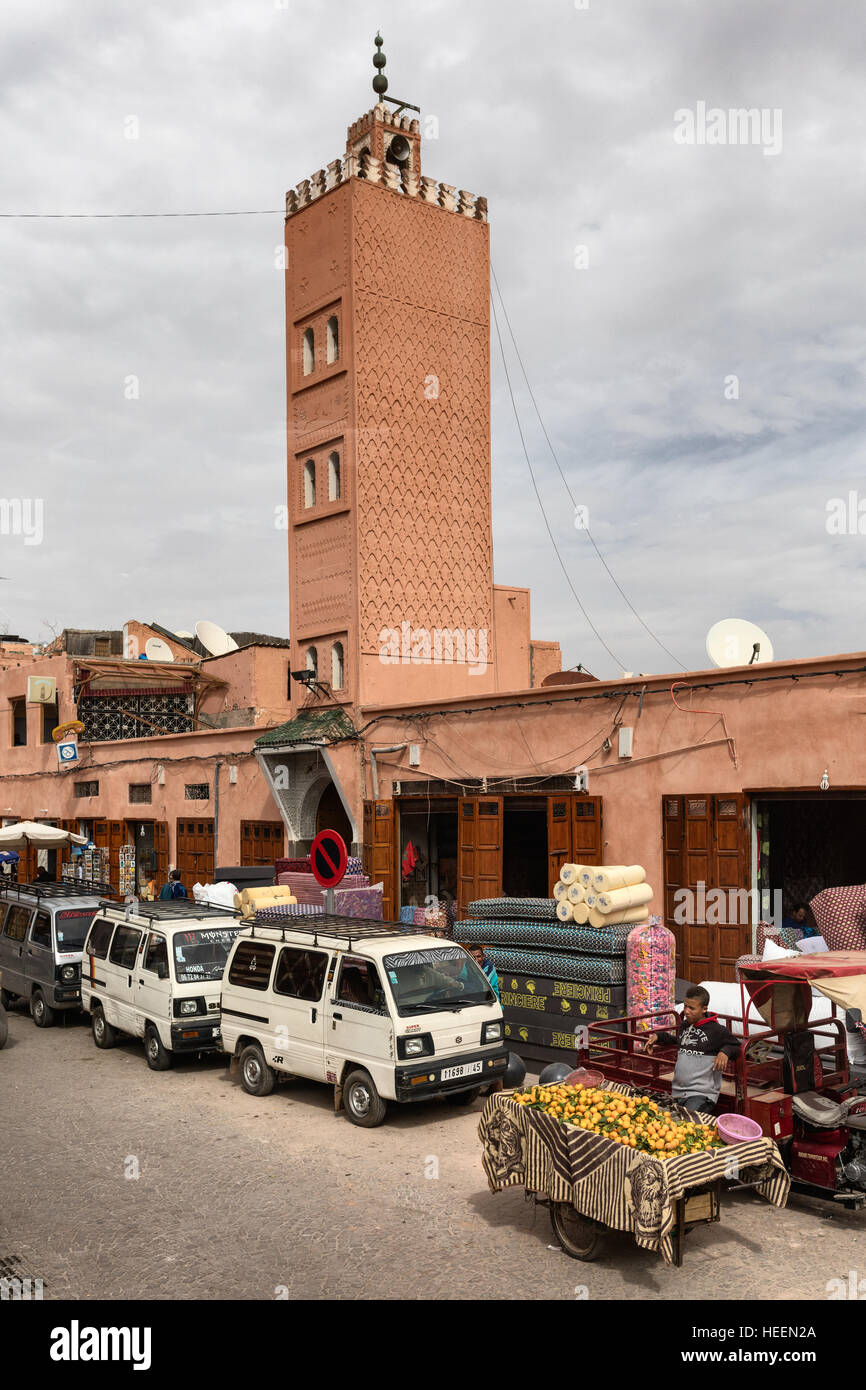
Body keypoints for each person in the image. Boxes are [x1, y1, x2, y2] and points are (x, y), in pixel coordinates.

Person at [643, 985, 740, 1114]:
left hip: (701, 1094)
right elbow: (679, 1040)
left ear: (704, 1009)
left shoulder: (717, 1031)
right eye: (685, 1006)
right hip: (678, 1092)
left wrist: (725, 1052)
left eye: (691, 1008)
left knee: (685, 1123)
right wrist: (658, 1036)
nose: (686, 1011)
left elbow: (738, 1047)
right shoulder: (685, 1025)